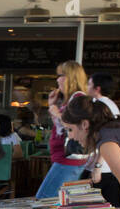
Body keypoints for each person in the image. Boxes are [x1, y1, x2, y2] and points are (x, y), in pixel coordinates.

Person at [33, 60, 89, 199]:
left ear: (71, 78)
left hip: (69, 158)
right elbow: (59, 129)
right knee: (60, 202)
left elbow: (73, 126)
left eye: (61, 75)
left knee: (44, 199)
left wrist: (56, 112)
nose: (57, 80)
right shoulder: (70, 100)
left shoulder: (79, 98)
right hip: (64, 156)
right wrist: (52, 106)